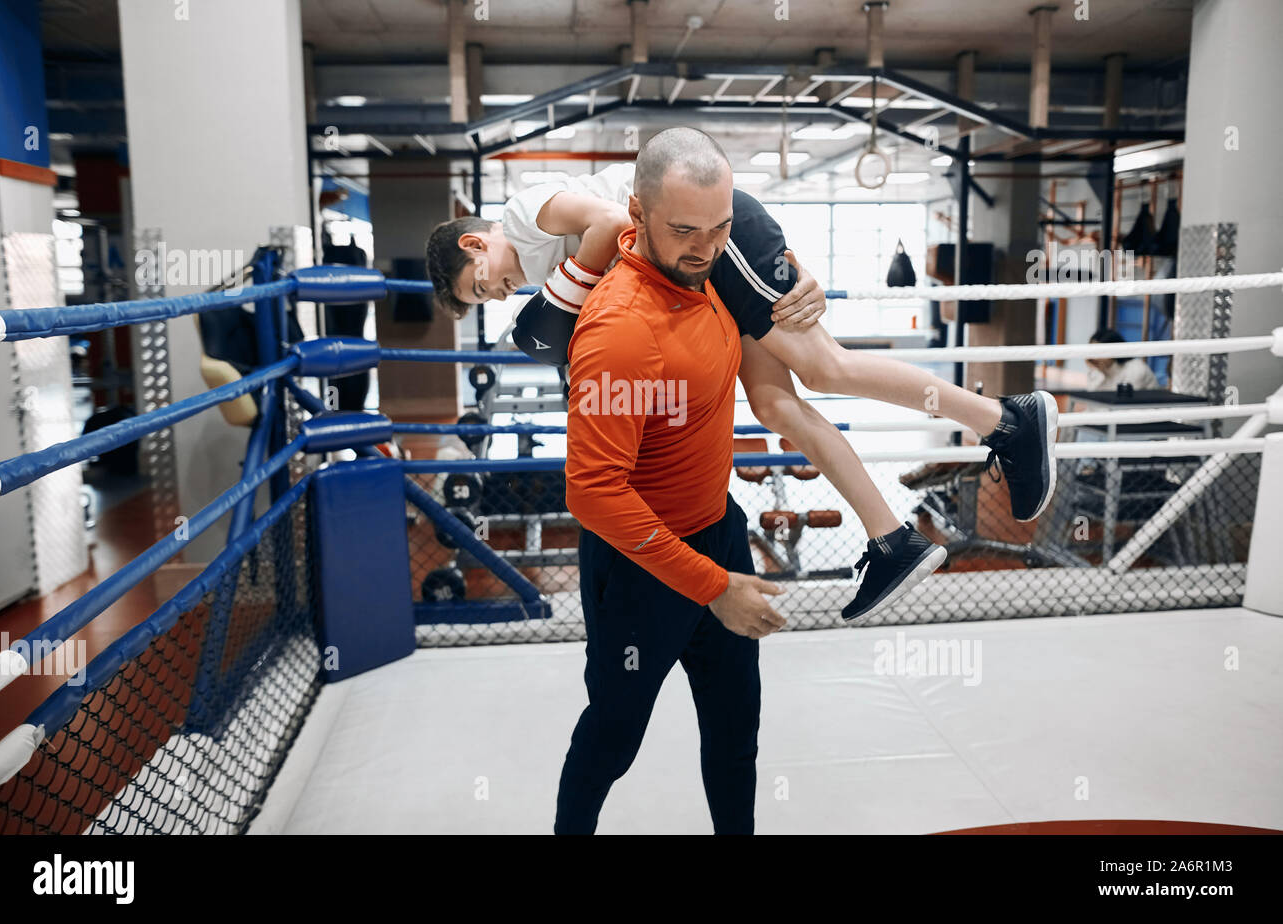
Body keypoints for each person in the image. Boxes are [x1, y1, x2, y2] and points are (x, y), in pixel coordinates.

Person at [427, 143, 1058, 618]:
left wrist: (560, 311)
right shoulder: (532, 262)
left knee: (824, 366)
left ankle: (1006, 420)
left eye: (481, 283)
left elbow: (608, 225)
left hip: (699, 230)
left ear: (478, 243)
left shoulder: (524, 212)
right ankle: (892, 539)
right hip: (699, 258)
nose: (496, 294)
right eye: (482, 300)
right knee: (777, 404)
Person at [553, 127, 780, 833]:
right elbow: (591, 492)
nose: (706, 248)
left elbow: (760, 265)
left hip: (719, 532)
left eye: (718, 228)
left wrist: (802, 286)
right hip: (639, 569)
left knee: (735, 731)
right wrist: (713, 587)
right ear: (638, 212)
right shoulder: (621, 330)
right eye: (684, 230)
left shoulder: (706, 269)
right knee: (614, 736)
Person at [1085, 328, 1160, 392]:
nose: (1094, 358)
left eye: (1099, 353)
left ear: (1114, 352)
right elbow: (1093, 399)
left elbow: (1123, 401)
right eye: (1091, 352)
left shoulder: (1135, 369)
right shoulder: (1096, 372)